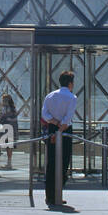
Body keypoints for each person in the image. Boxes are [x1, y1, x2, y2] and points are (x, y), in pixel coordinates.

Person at [41, 72, 78, 207]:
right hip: (65, 131)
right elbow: (68, 118)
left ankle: (49, 195)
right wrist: (60, 129)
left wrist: (55, 124)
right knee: (63, 162)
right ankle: (58, 193)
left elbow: (44, 114)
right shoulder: (72, 97)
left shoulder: (50, 96)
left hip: (52, 127)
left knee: (51, 162)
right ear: (70, 83)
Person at [0, 90, 20, 169]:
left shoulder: (6, 109)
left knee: (8, 146)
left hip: (8, 129)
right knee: (9, 147)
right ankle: (9, 163)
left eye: (3, 100)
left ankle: (9, 163)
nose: (3, 101)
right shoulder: (12, 108)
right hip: (11, 128)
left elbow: (3, 117)